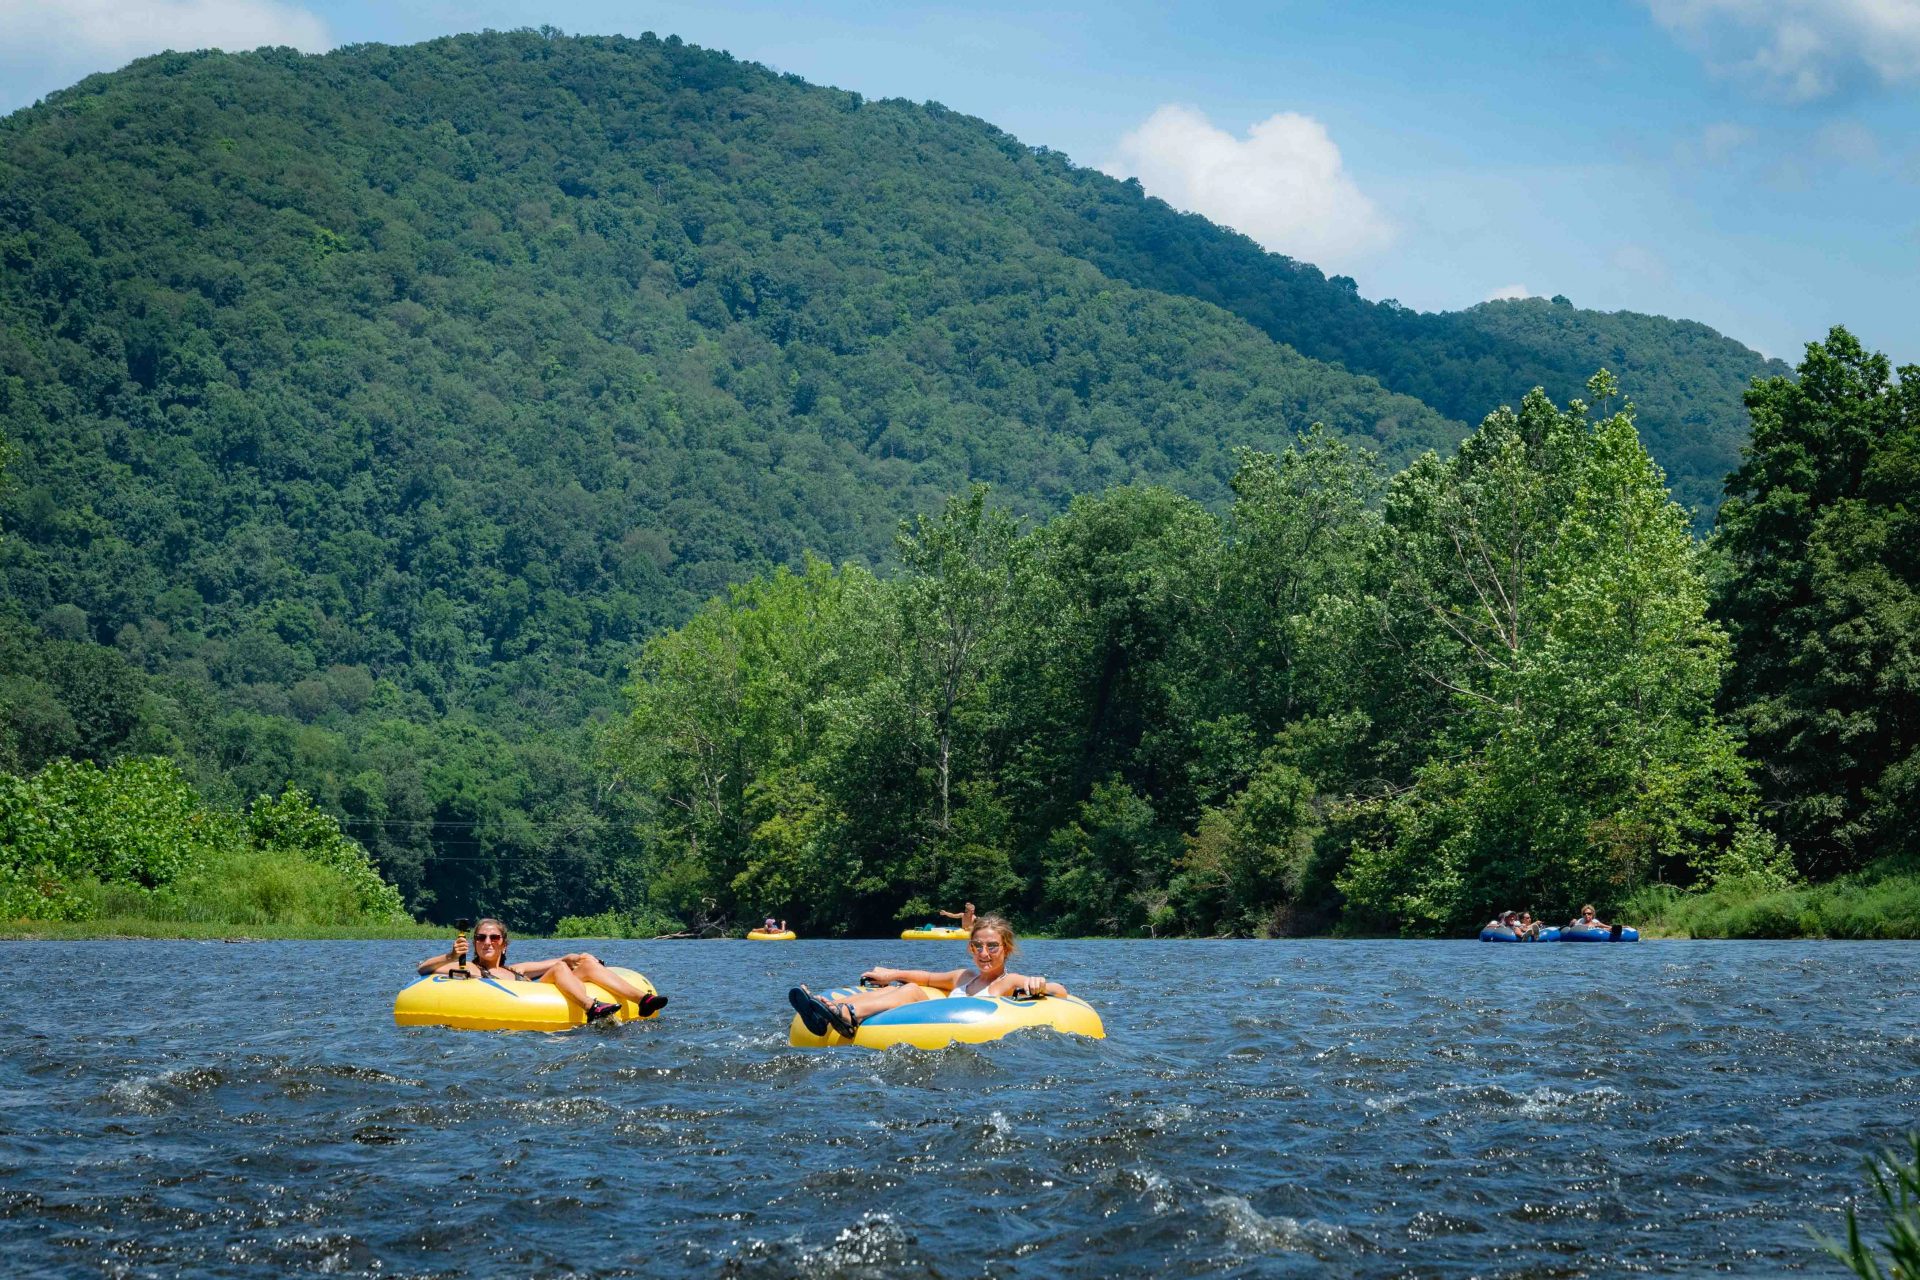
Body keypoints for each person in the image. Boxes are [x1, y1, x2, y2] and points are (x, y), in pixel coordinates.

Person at [787, 915, 1066, 1038]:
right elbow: (928, 977)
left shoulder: (1010, 981)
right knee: (907, 985)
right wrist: (890, 974)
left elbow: (1060, 992)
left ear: (1005, 949)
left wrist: (1040, 984)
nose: (984, 953)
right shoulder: (965, 976)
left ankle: (845, 1015)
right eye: (977, 946)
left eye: (992, 946)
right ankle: (828, 1011)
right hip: (930, 1017)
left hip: (953, 1030)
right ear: (970, 948)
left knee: (910, 991)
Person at [417, 918, 668, 1022]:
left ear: (503, 944)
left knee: (584, 962)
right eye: (481, 938)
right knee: (560, 967)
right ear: (474, 943)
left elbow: (558, 961)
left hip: (540, 991)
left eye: (494, 938)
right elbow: (423, 969)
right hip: (522, 1006)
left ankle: (642, 1000)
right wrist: (451, 955)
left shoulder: (516, 968)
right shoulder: (472, 968)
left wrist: (576, 956)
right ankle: (591, 1007)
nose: (487, 943)